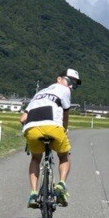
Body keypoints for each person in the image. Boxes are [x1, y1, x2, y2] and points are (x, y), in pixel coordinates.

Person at [21, 68, 80, 209]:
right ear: (59, 79)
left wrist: (30, 128)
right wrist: (64, 130)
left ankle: (34, 193)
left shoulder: (39, 94)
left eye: (75, 85)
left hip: (32, 128)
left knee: (36, 158)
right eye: (70, 81)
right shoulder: (64, 90)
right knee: (64, 156)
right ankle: (61, 185)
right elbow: (65, 115)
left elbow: (22, 118)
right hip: (53, 126)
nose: (71, 86)